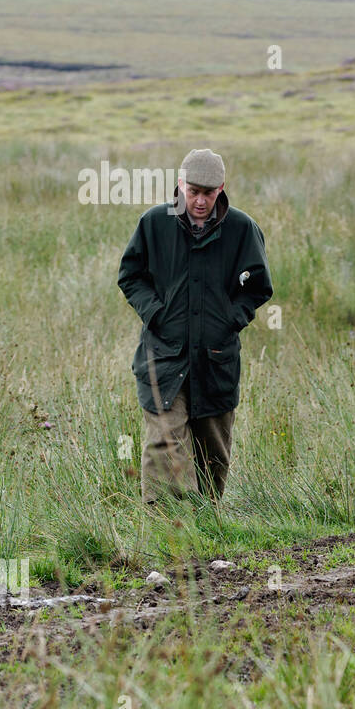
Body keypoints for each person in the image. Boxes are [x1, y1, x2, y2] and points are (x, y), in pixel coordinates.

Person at [118, 148, 273, 503]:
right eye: (193, 192)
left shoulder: (242, 229)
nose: (200, 201)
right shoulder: (154, 223)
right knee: (164, 443)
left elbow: (259, 288)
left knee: (213, 456)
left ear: (221, 188)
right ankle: (166, 532)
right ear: (179, 185)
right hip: (162, 357)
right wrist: (155, 313)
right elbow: (130, 276)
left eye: (208, 193)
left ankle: (206, 528)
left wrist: (229, 321)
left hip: (215, 360)